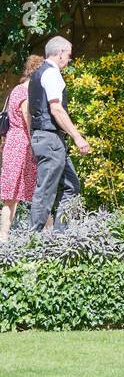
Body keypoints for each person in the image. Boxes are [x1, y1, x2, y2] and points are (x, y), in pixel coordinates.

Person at [29, 36, 90, 232]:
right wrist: (77, 136)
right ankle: (31, 242)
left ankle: (61, 235)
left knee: (71, 185)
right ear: (61, 53)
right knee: (46, 190)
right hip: (51, 139)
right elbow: (56, 109)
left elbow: (32, 112)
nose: (69, 60)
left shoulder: (37, 75)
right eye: (69, 55)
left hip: (45, 138)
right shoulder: (52, 74)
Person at [0, 55, 45, 240]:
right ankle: (48, 234)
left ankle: (3, 237)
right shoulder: (26, 93)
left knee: (13, 195)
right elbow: (28, 120)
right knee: (39, 190)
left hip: (13, 142)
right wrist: (38, 142)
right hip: (23, 145)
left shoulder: (16, 90)